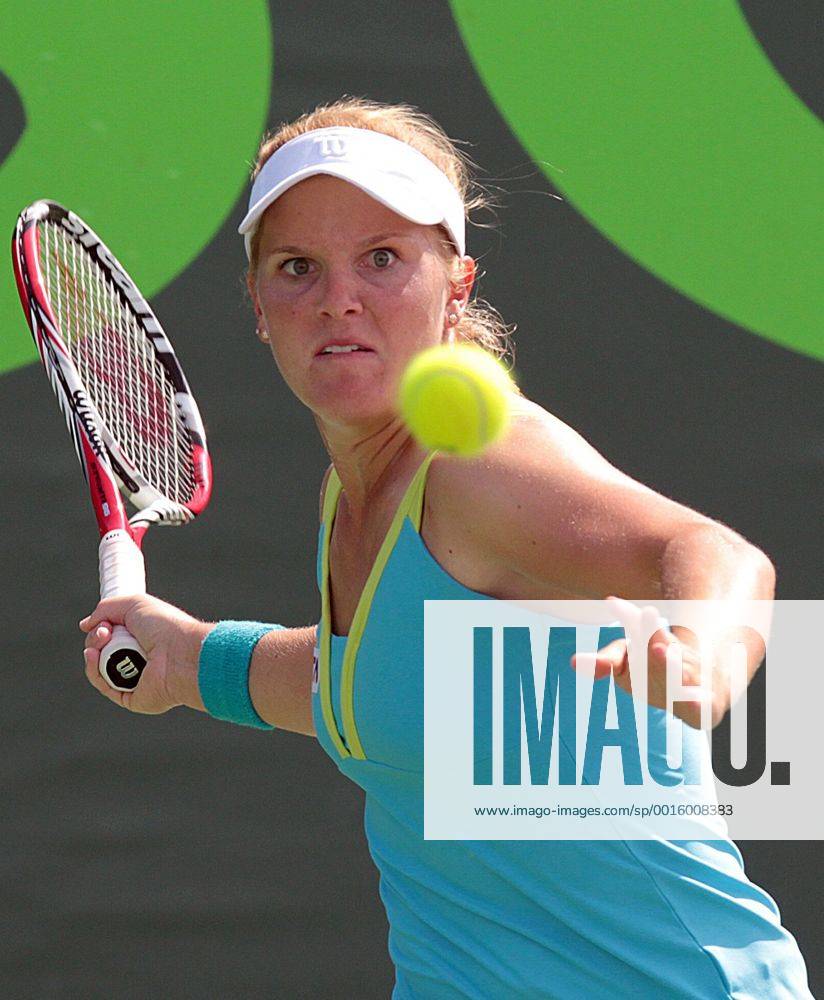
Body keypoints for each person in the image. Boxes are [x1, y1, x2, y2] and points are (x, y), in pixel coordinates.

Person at [80, 98, 813, 998]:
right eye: (298, 267)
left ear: (457, 285)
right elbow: (376, 685)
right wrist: (188, 660)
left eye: (382, 258)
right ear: (260, 305)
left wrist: (703, 658)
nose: (338, 298)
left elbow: (718, 552)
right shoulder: (352, 494)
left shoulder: (477, 467)